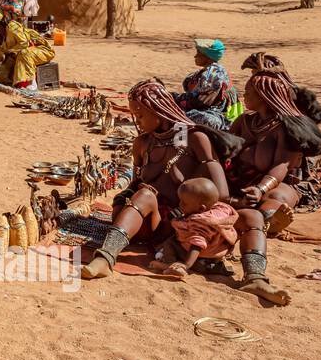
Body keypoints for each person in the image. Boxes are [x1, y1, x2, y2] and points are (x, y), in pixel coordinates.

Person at [82, 79, 235, 281]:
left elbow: (221, 193)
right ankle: (107, 255)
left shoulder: (192, 138)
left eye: (140, 115)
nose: (137, 122)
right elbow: (135, 183)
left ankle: (104, 258)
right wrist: (124, 196)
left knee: (145, 195)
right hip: (147, 220)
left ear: (159, 111)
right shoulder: (143, 143)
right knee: (144, 195)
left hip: (180, 228)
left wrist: (184, 191)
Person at [225, 70, 321, 305]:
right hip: (242, 181)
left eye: (248, 92)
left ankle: (268, 220)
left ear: (264, 96)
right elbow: (225, 151)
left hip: (279, 182)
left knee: (276, 197)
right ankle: (263, 222)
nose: (243, 95)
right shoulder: (243, 121)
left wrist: (261, 188)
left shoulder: (286, 128)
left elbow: (282, 166)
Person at [149, 177, 239, 280]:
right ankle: (215, 267)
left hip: (196, 256)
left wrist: (186, 265)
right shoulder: (220, 211)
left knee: (170, 243)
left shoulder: (201, 222)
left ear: (201, 208)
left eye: (184, 203)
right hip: (212, 255)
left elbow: (197, 244)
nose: (179, 204)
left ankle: (170, 264)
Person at [0, 8, 55, 88]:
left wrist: (9, 52)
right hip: (22, 54)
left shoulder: (12, 27)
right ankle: (16, 82)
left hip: (42, 50)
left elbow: (24, 43)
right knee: (3, 74)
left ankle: (28, 85)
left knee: (24, 53)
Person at [175, 38, 239, 130]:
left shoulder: (214, 74)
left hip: (217, 116)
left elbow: (201, 103)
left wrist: (178, 101)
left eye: (198, 53)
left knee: (179, 117)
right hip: (201, 110)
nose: (195, 56)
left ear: (207, 57)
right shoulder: (203, 72)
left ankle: (180, 143)